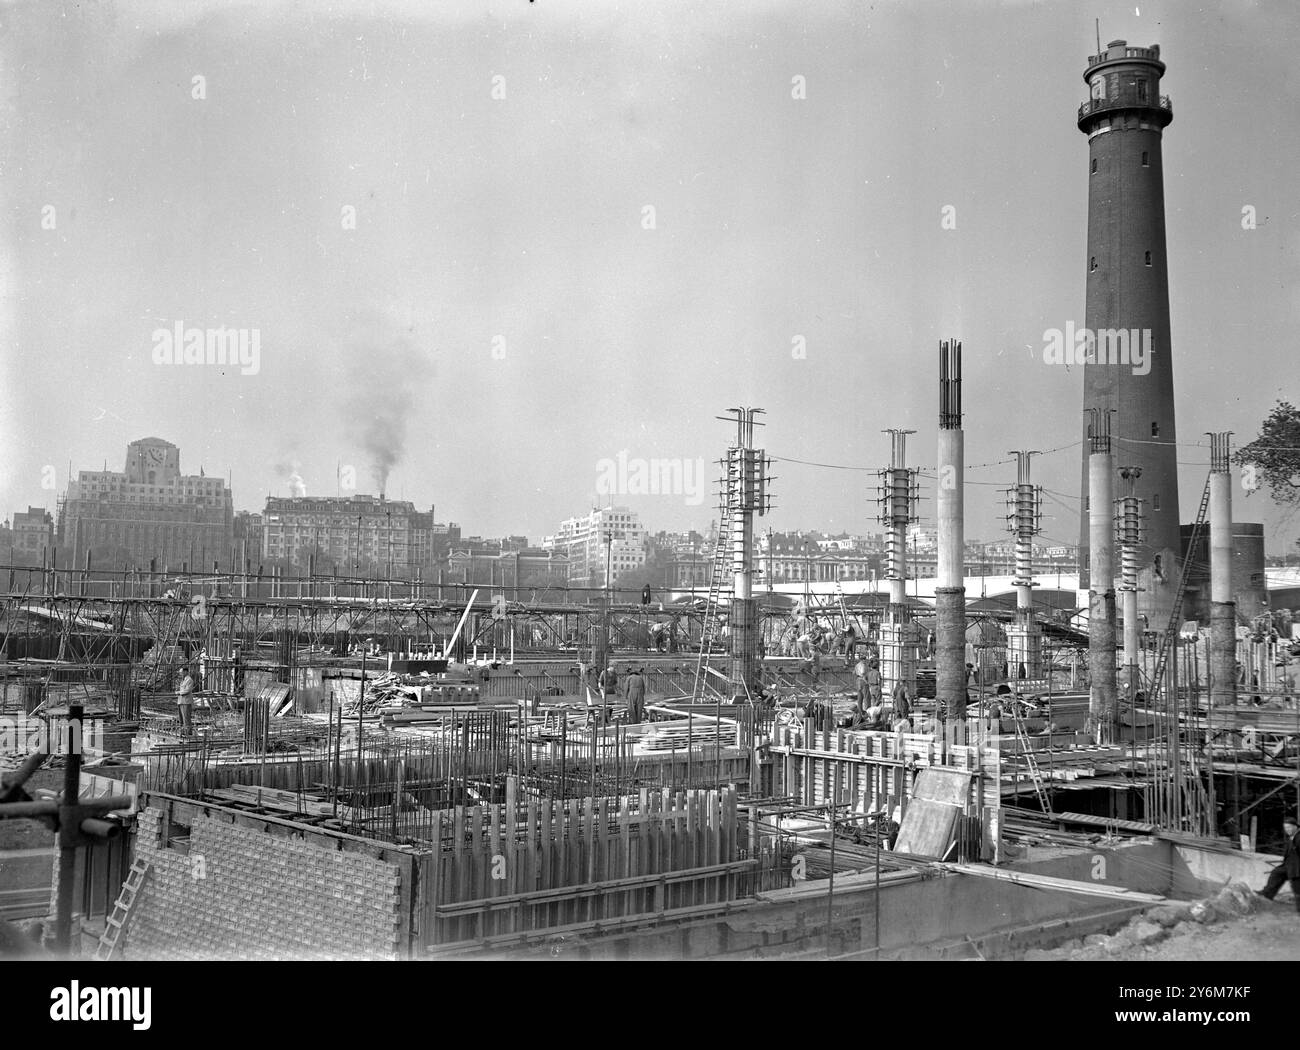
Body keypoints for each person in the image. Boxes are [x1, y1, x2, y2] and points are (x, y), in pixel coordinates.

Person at [1259, 815, 1300, 913]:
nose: (1287, 830)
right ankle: (1267, 893)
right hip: (1288, 865)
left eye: (1289, 827)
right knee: (1276, 873)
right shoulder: (1292, 836)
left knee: (1297, 889)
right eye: (1285, 828)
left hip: (1297, 867)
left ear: (1295, 826)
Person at [176, 669, 196, 734]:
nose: (180, 674)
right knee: (181, 718)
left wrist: (179, 693)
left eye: (181, 672)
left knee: (186, 718)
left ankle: (188, 733)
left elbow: (187, 690)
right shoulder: (183, 680)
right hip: (181, 701)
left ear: (185, 672)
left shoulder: (189, 680)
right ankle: (182, 732)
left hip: (186, 702)